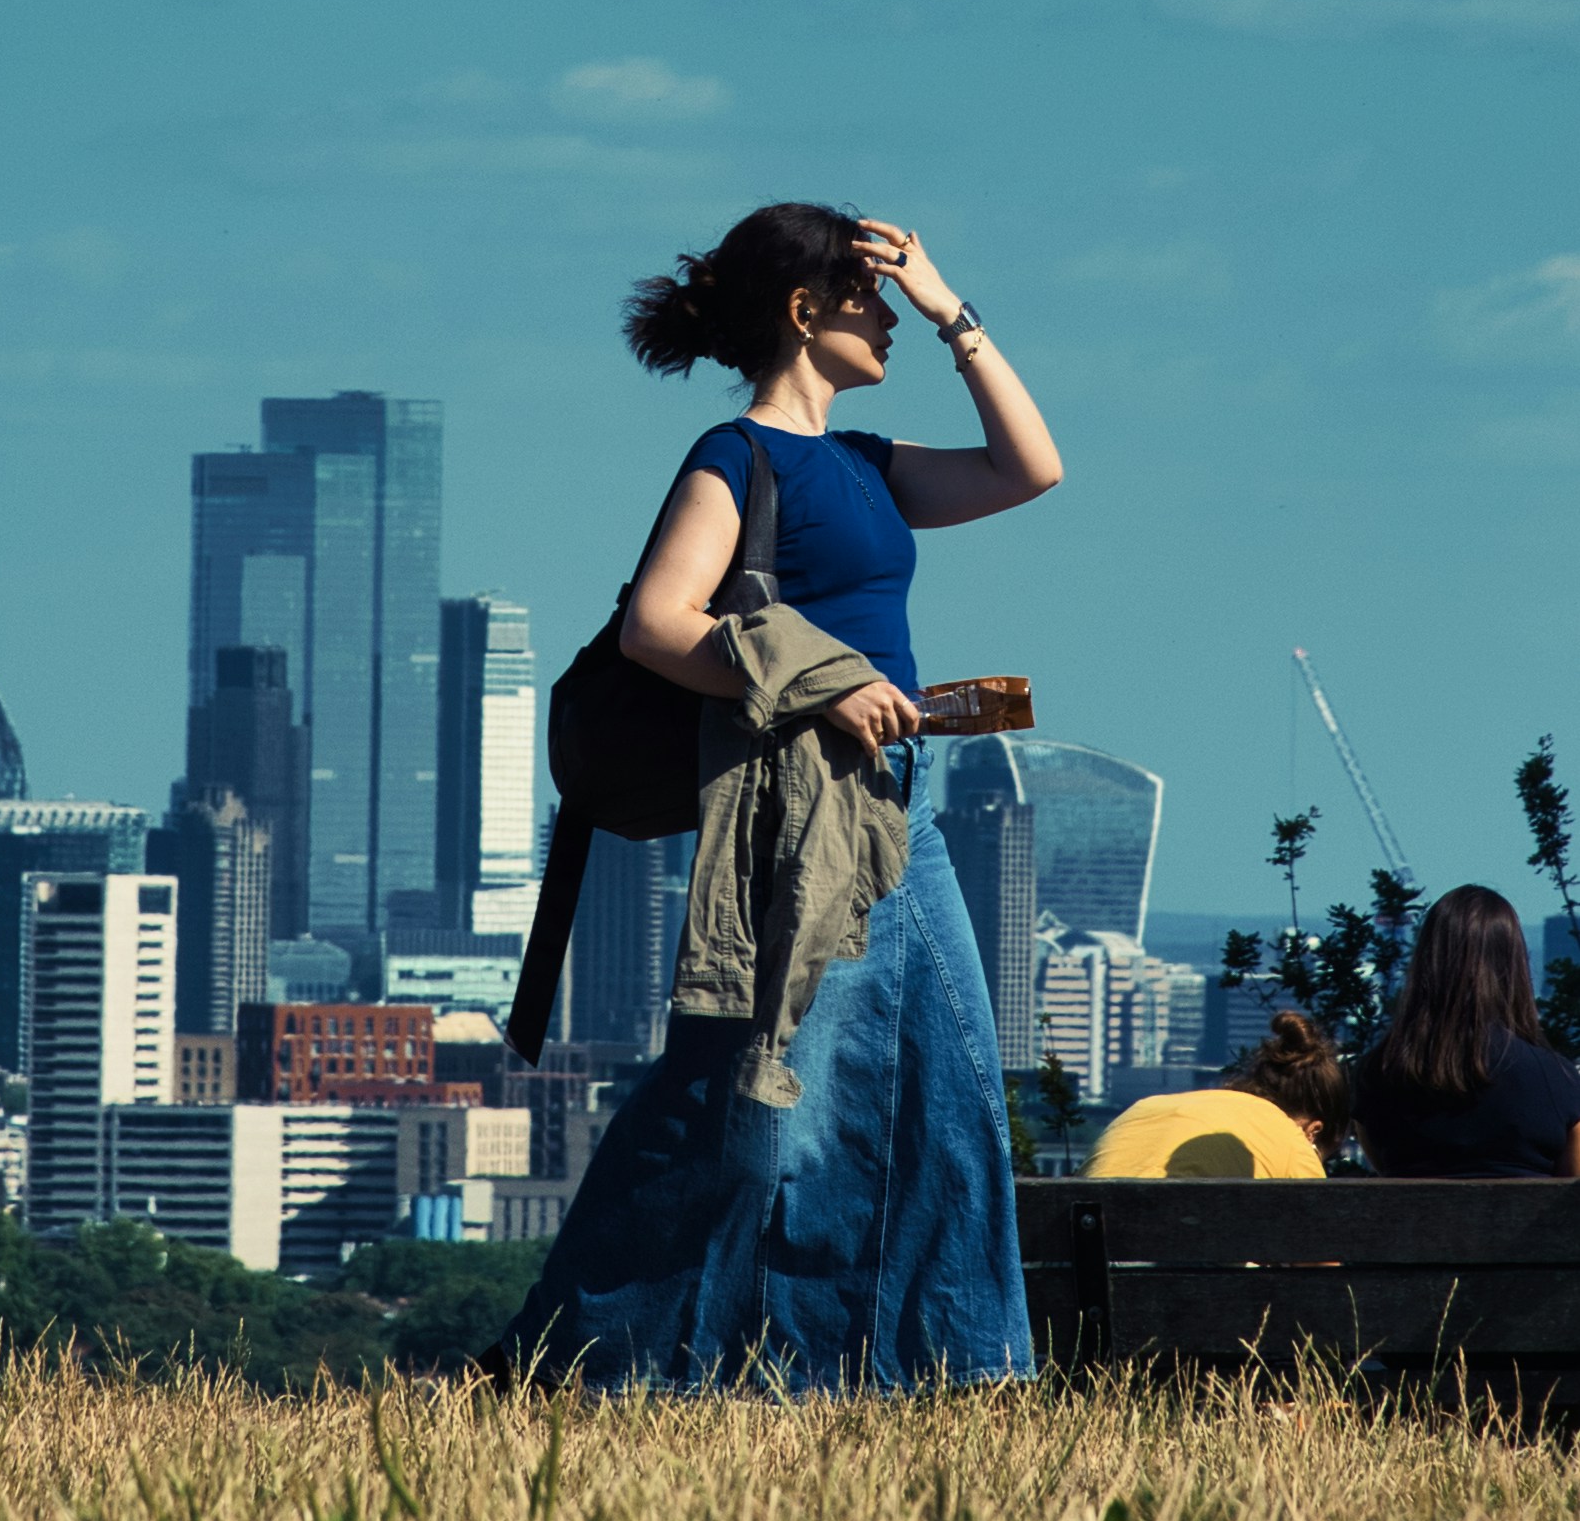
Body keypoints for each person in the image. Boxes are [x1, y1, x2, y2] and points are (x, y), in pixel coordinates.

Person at [490, 199, 1063, 1391]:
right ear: (805, 313)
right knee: (758, 1110)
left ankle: (963, 1369)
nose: (885, 322)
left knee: (946, 1086)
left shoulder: (861, 464)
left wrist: (946, 305)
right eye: (866, 299)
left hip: (899, 807)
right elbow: (658, 624)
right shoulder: (734, 457)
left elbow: (1030, 468)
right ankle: (607, 1359)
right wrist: (815, 691)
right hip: (799, 816)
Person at [1355, 885, 1580, 1178]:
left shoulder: (1376, 1075)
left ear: (1426, 961)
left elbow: (1383, 1168)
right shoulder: (1556, 1080)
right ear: (1513, 965)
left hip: (1417, 1225)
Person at [1086, 1011, 1346, 1179]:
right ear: (1313, 1131)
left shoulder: (1147, 1108)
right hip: (1168, 1257)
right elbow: (1320, 1260)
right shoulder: (1291, 1138)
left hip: (1079, 1255)